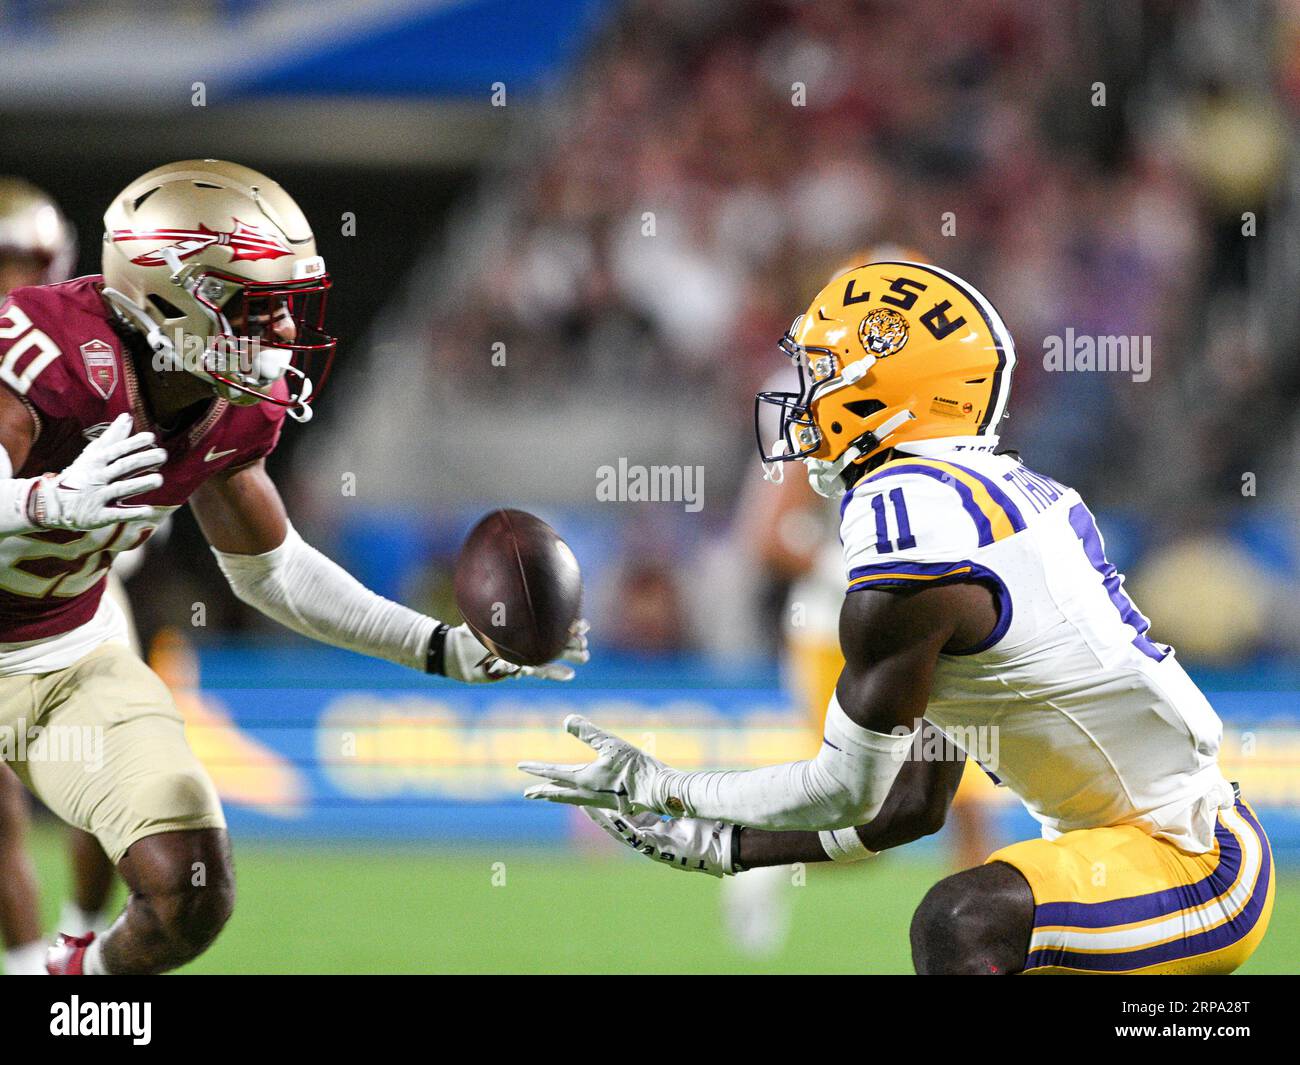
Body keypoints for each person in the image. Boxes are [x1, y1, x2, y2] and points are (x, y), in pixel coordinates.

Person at [521, 260, 1272, 975]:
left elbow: (849, 789)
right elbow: (906, 806)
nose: (803, 398)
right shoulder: (969, 498)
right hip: (1130, 852)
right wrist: (733, 846)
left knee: (962, 920)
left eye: (822, 375)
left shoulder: (914, 528)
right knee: (974, 915)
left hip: (1193, 861)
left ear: (888, 392)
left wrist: (677, 794)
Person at [0, 159, 587, 975]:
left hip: (62, 653)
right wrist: (41, 505)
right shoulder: (43, 353)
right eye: (258, 307)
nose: (280, 332)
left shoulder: (225, 398)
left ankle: (69, 986)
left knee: (188, 890)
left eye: (284, 306)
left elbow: (272, 572)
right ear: (171, 296)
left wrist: (439, 646)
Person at [0, 176, 124, 975]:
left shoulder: (93, 345)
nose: (19, 273)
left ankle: (77, 941)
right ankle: (21, 966)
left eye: (31, 257)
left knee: (106, 778)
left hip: (82, 589)